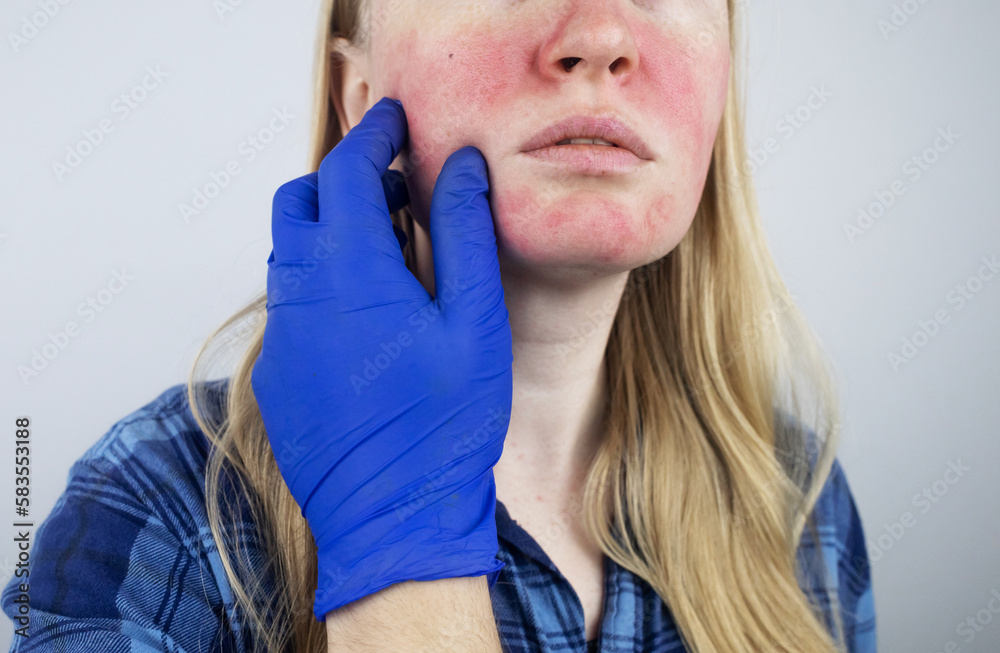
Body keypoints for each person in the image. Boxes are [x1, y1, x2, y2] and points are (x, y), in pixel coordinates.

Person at [2, 0, 877, 651]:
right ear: (360, 96)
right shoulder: (158, 514)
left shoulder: (795, 503)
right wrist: (400, 543)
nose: (602, 35)